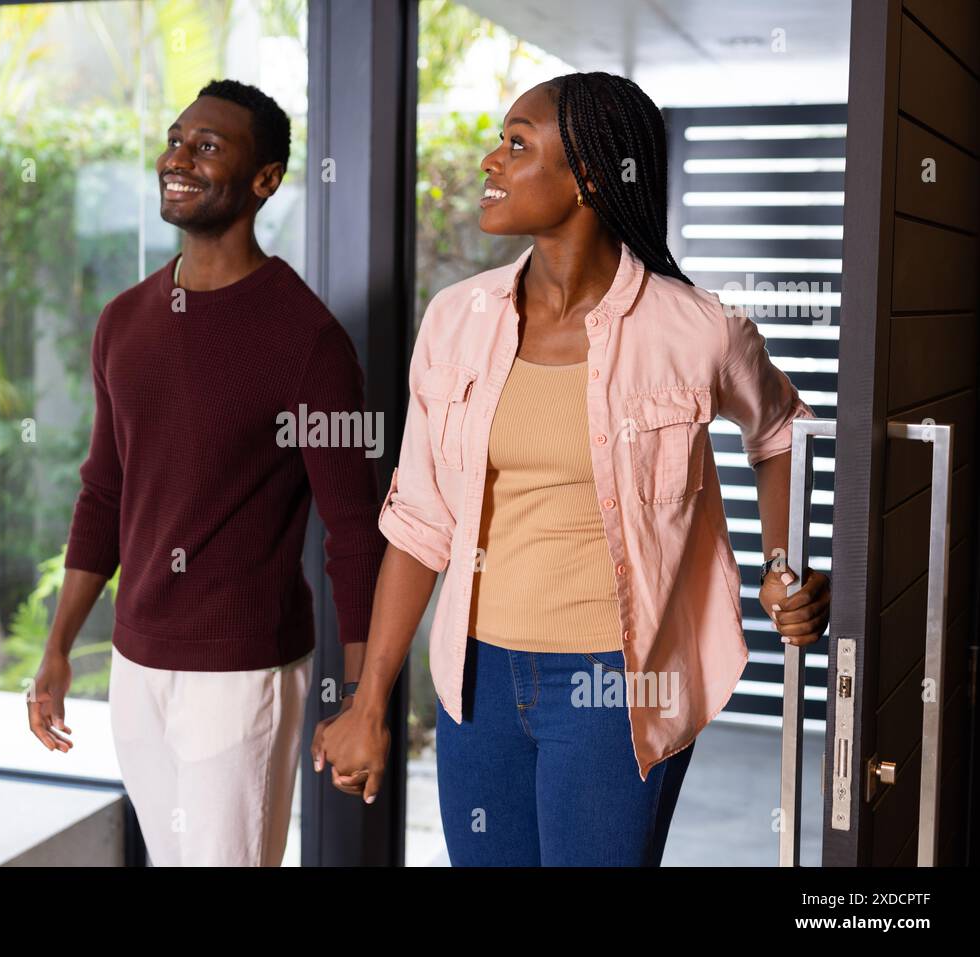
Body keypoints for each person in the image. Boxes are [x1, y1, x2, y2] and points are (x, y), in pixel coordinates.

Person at [316, 71, 833, 866]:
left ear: (589, 175)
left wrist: (779, 563)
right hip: (476, 683)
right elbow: (421, 523)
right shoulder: (457, 320)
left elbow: (782, 432)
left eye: (517, 143)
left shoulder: (695, 329)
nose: (489, 159)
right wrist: (369, 700)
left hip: (614, 686)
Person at [27, 79, 385, 866]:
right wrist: (59, 643)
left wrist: (366, 697)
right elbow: (104, 490)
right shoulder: (124, 319)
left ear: (265, 181)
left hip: (241, 672)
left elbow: (355, 533)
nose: (178, 159)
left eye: (208, 146)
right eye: (177, 139)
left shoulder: (306, 339)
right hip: (135, 662)